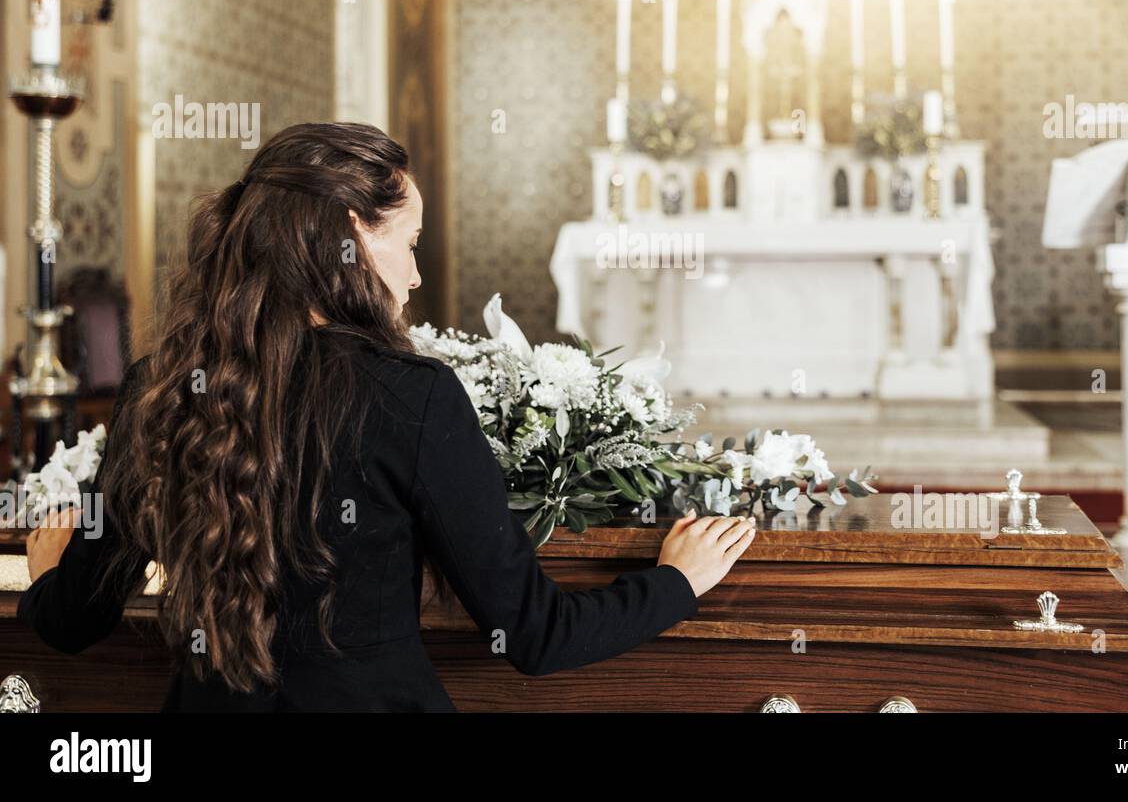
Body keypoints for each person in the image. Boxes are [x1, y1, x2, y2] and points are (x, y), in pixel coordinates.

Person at [20, 122, 756, 711]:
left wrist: (48, 568)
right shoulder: (414, 395)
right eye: (408, 243)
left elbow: (70, 620)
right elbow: (534, 634)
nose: (416, 273)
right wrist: (675, 583)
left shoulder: (159, 384)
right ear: (349, 234)